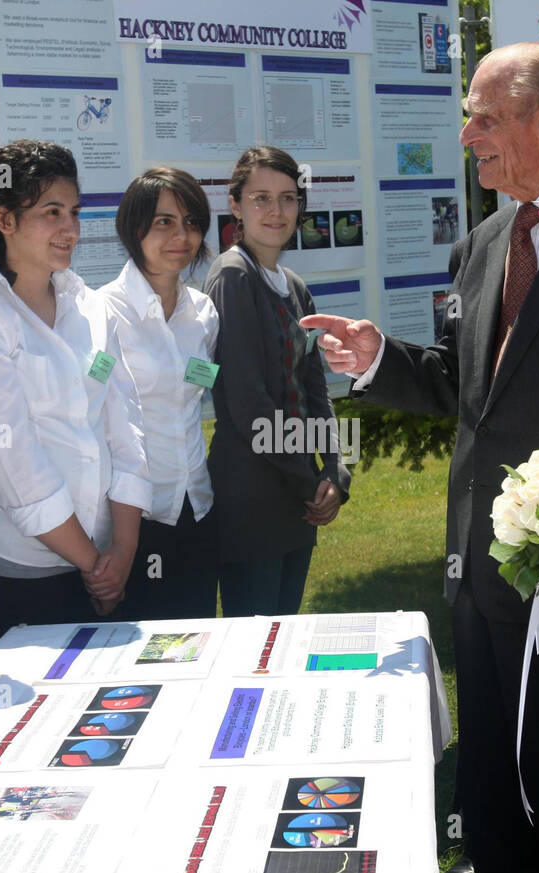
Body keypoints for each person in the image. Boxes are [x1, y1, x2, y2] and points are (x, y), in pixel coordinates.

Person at [304, 43, 539, 873]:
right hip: (476, 569)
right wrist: (378, 360)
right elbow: (465, 385)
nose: (467, 132)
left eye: (483, 115)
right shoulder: (484, 242)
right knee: (489, 787)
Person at [0, 140, 150, 639]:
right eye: (51, 212)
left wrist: (120, 554)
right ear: (4, 219)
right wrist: (95, 565)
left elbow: (125, 429)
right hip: (21, 571)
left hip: (108, 560)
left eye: (74, 212)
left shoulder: (92, 307)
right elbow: (15, 467)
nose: (70, 229)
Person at [203, 145, 351, 618]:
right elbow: (248, 402)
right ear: (235, 206)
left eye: (287, 198)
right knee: (254, 649)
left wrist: (335, 467)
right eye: (261, 198)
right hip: (251, 495)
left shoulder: (294, 284)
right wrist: (308, 479)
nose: (276, 211)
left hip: (295, 496)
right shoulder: (232, 277)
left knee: (284, 638)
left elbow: (314, 389)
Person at [99, 167, 219, 620]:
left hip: (198, 508)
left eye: (191, 223)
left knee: (201, 644)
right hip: (136, 518)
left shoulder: (204, 312)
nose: (181, 236)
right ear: (135, 228)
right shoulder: (102, 312)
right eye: (164, 222)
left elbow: (196, 394)